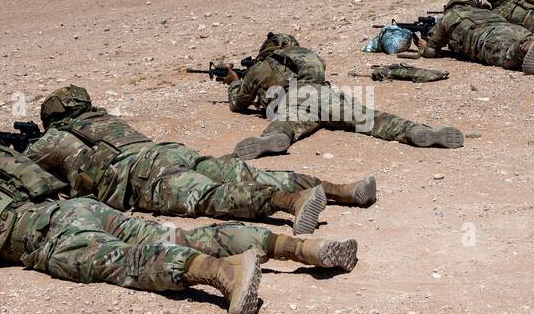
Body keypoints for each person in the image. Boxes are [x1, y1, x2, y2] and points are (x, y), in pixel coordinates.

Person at [0, 113, 272, 314]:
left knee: (128, 263)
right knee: (171, 235)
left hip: (41, 234)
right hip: (73, 207)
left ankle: (223, 271)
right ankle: (296, 246)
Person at [24, 85, 375, 235]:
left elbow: (22, 171)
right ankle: (341, 190)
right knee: (243, 172)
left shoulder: (53, 139)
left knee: (210, 197)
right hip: (170, 151)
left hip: (142, 175)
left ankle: (293, 201)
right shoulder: (105, 119)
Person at [223, 33, 464, 160]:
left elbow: (239, 103)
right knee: (372, 119)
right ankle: (414, 131)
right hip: (321, 94)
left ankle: (273, 139)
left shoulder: (259, 67)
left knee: (285, 125)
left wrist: (234, 83)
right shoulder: (304, 55)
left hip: (288, 102)